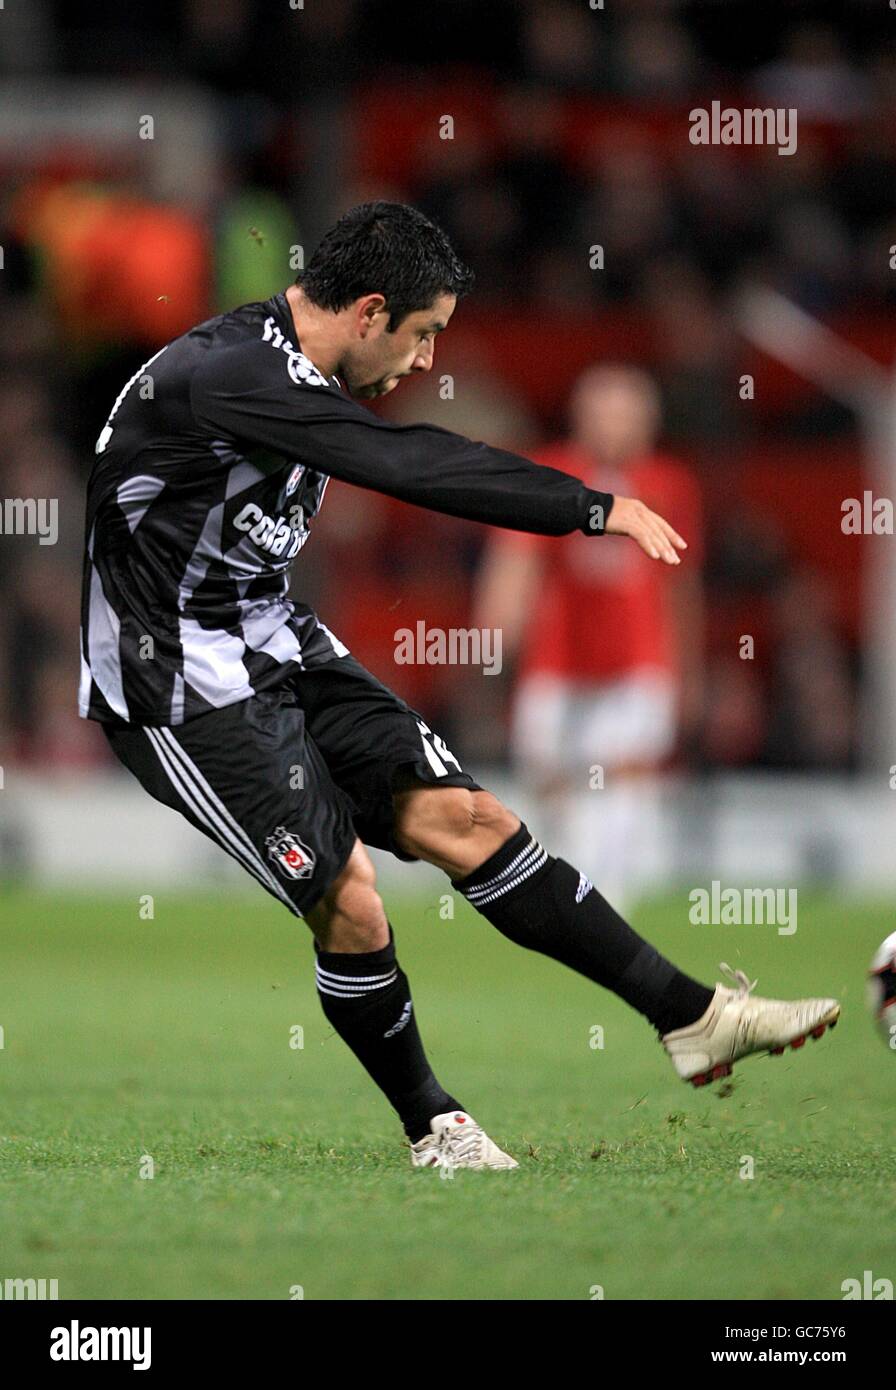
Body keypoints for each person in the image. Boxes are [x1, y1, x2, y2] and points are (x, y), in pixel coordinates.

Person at [78, 202, 839, 1172]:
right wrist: (586, 504)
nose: (425, 360)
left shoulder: (294, 373)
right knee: (349, 895)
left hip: (267, 632)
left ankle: (693, 1018)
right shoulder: (235, 374)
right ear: (366, 312)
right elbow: (406, 462)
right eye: (422, 332)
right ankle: (433, 1125)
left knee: (467, 820)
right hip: (171, 673)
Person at [475, 364, 703, 909]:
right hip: (556, 664)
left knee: (624, 785)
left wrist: (686, 672)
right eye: (604, 412)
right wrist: (493, 635)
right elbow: (516, 559)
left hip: (637, 665)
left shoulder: (669, 484)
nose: (614, 425)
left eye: (625, 414)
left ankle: (609, 907)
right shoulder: (552, 474)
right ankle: (558, 902)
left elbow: (680, 586)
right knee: (551, 786)